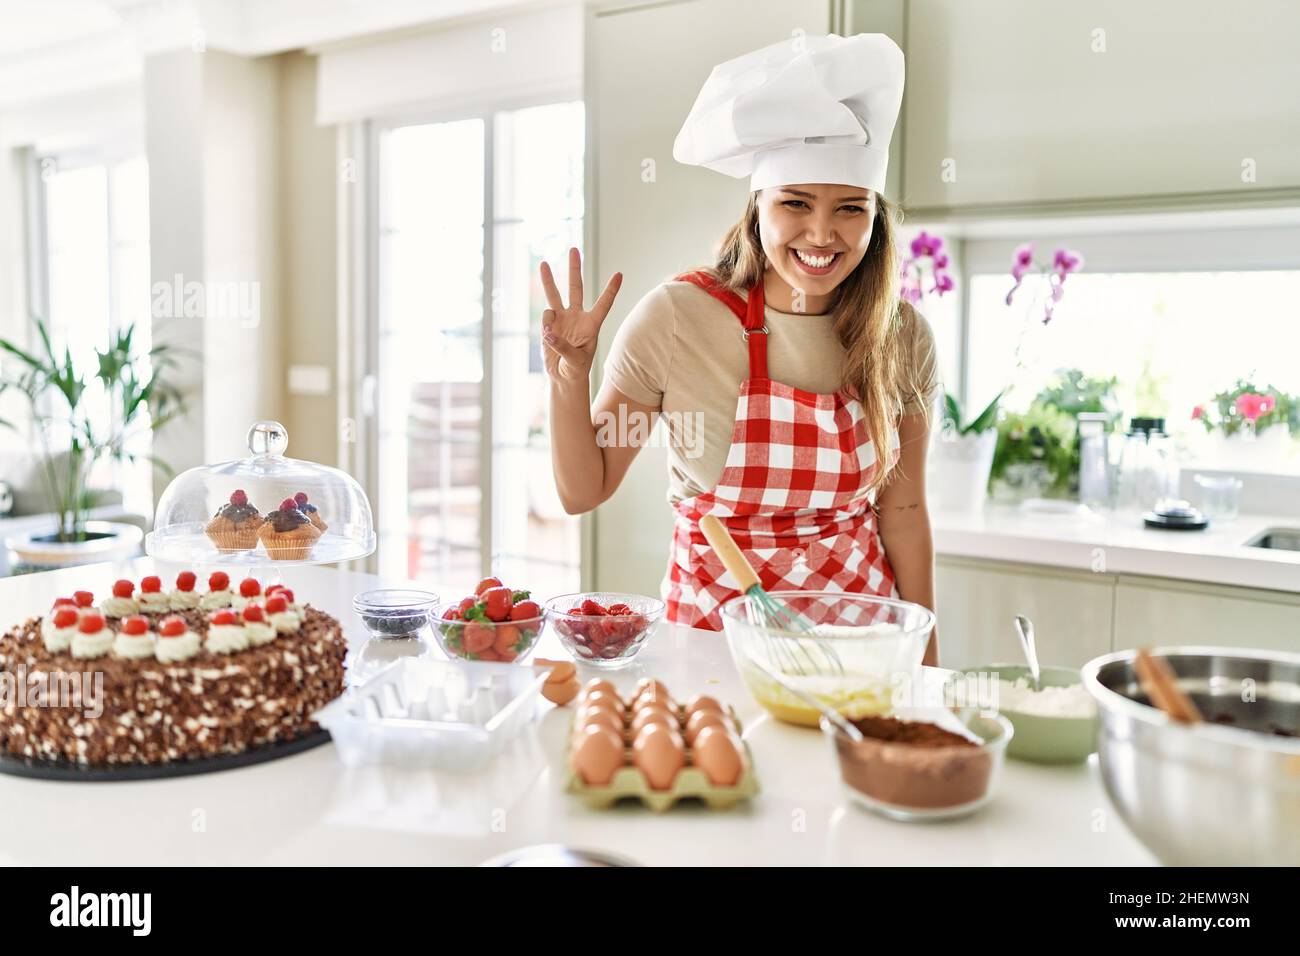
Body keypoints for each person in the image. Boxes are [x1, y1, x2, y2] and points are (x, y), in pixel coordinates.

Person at [540, 33, 941, 663]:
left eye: (850, 209)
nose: (821, 233)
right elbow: (582, 491)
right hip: (711, 647)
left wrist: (926, 667)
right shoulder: (677, 319)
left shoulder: (902, 334)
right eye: (796, 203)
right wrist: (570, 377)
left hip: (859, 642)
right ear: (758, 209)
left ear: (874, 218)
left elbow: (906, 508)